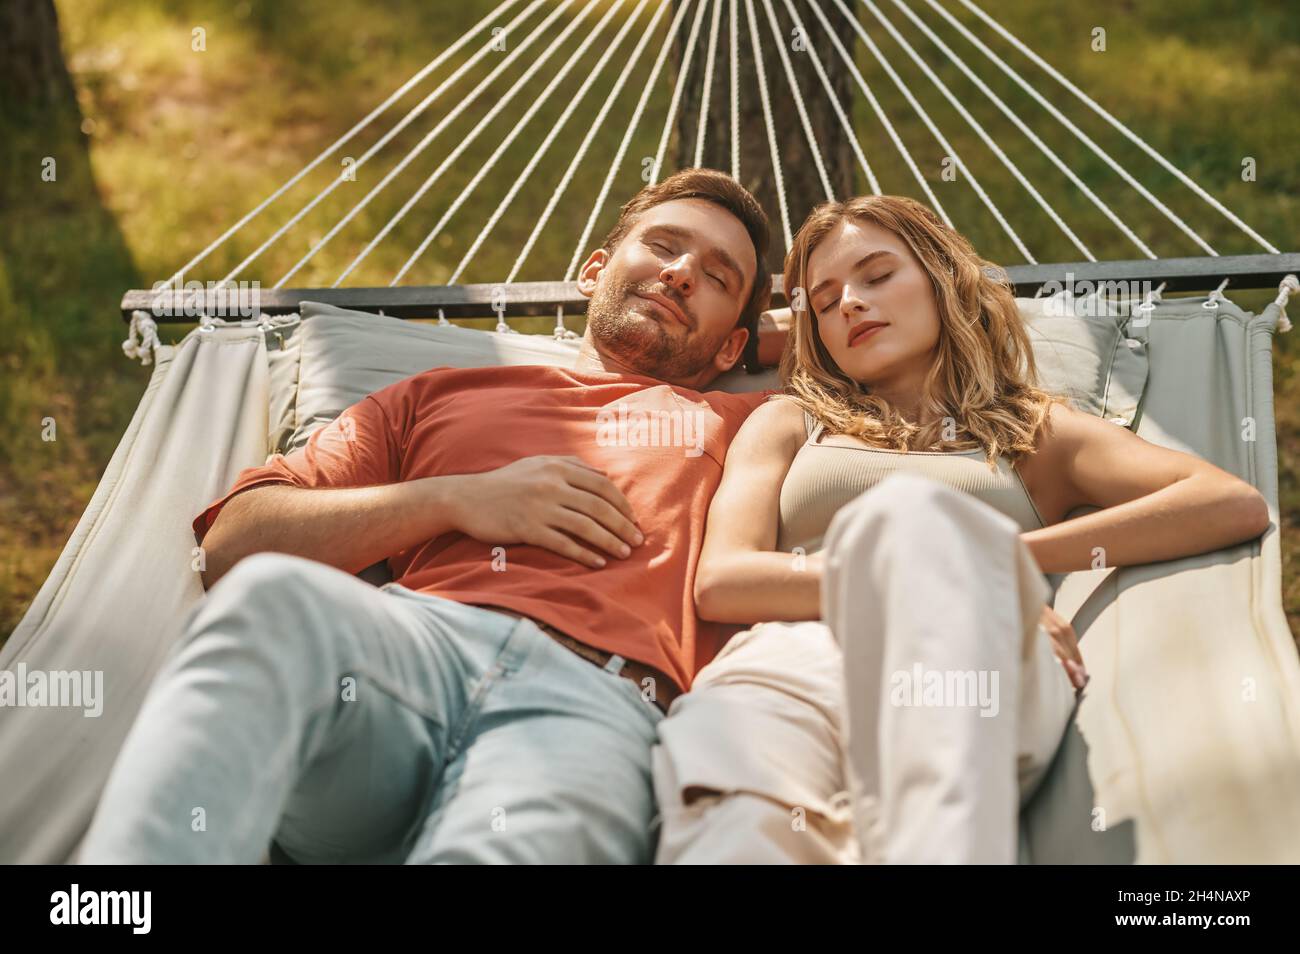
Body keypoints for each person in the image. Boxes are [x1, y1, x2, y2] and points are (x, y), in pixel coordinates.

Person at [78, 168, 776, 864]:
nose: (682, 272)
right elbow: (235, 547)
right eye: (662, 246)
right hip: (406, 657)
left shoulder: (750, 423)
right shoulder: (433, 395)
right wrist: (459, 498)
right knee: (273, 601)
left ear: (732, 349)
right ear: (594, 271)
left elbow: (864, 332)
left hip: (593, 704)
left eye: (718, 278)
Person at [652, 194, 1271, 865]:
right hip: (791, 666)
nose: (850, 304)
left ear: (943, 276)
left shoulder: (1036, 432)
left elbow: (1225, 501)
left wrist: (990, 565)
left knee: (912, 518)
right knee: (737, 829)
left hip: (971, 661)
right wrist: (930, 576)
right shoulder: (789, 421)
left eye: (878, 276)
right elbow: (723, 582)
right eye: (824, 302)